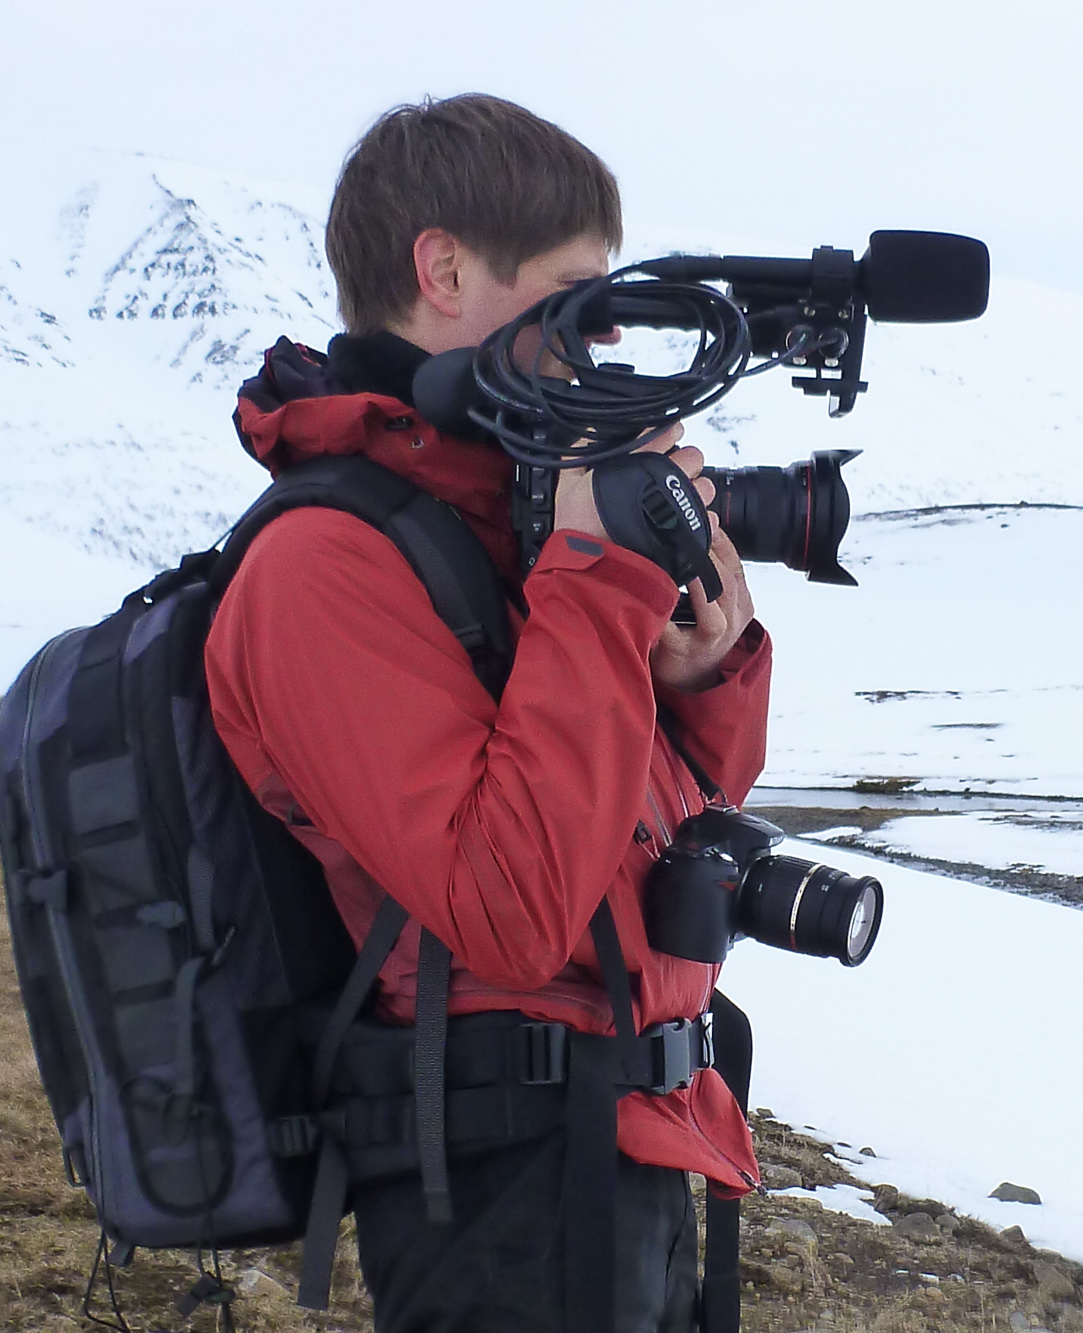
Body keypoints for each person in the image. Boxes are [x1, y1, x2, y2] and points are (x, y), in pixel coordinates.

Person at [204, 94, 770, 1332]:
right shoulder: (323, 566)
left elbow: (665, 822)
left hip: (634, 1130)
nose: (600, 342)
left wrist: (701, 669)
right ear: (445, 267)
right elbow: (508, 907)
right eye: (575, 299)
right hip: (504, 1174)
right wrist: (594, 581)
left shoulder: (506, 519)